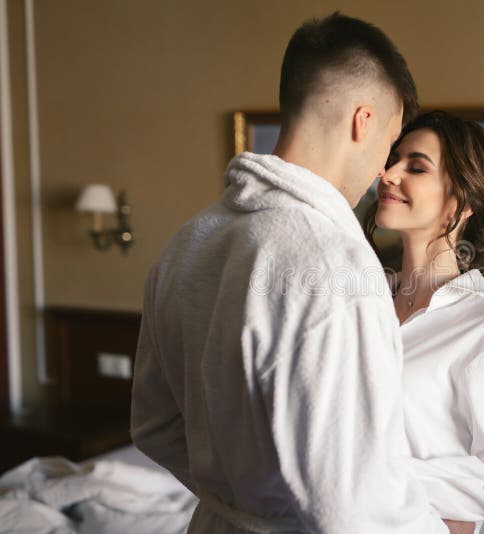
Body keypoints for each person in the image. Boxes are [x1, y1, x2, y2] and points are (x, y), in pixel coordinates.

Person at [130, 13, 451, 533]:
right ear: (363, 121)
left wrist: (236, 493)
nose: (381, 171)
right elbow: (355, 507)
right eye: (390, 145)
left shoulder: (188, 242)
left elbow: (153, 426)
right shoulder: (336, 265)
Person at [365, 111, 484, 533]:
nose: (387, 174)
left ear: (461, 202)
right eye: (393, 160)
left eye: (416, 166)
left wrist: (371, 475)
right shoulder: (361, 307)